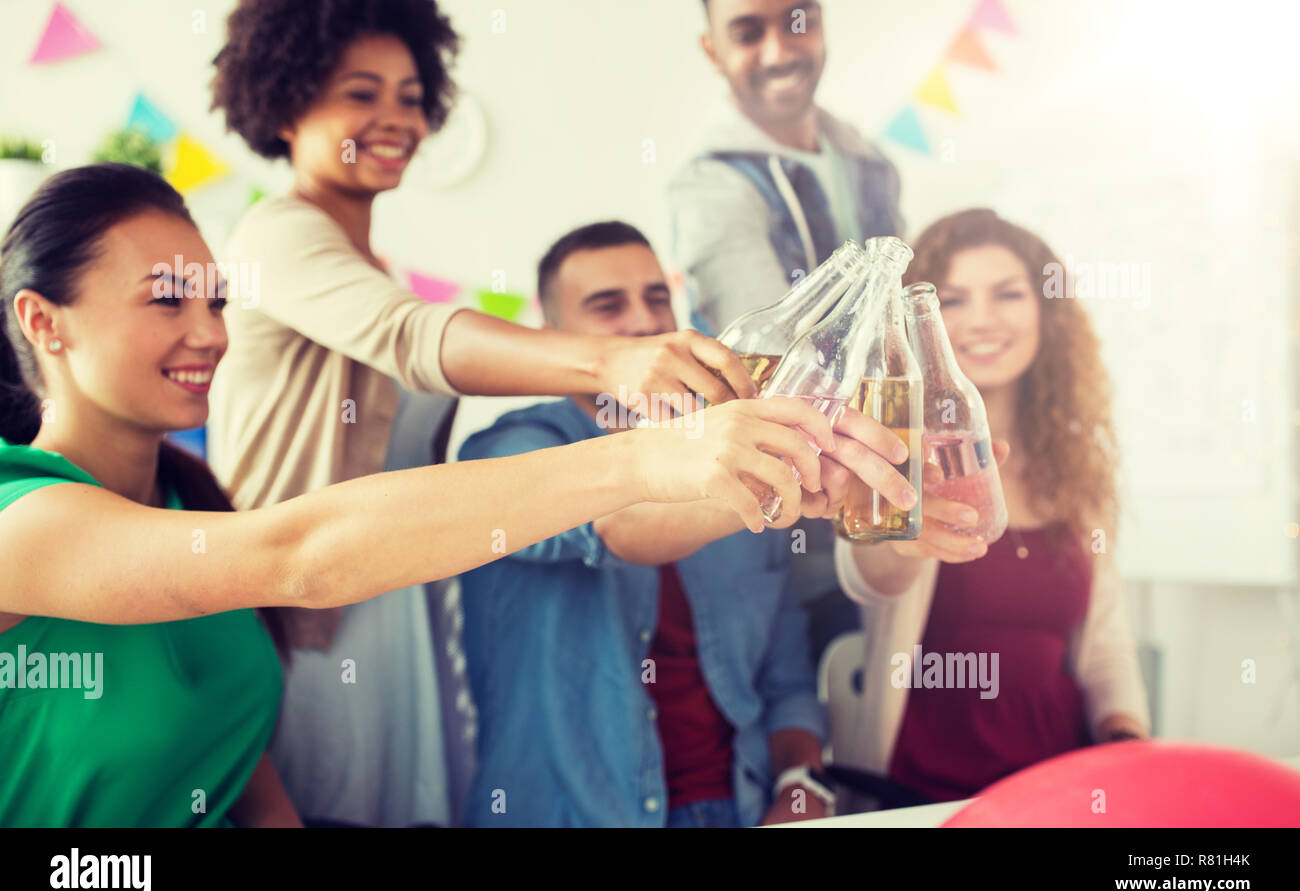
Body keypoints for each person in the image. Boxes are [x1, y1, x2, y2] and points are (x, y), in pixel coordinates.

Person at [0, 163, 840, 827]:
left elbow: (236, 774)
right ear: (44, 322)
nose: (211, 332)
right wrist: (654, 458)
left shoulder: (191, 509)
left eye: (218, 301)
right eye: (167, 301)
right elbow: (295, 557)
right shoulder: (19, 521)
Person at [207, 0, 776, 827]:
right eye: (362, 94)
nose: (396, 118)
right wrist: (612, 358)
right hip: (301, 617)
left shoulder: (368, 263)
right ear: (287, 98)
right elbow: (411, 338)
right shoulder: (275, 235)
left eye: (410, 95)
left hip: (394, 605)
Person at [457, 221, 917, 827]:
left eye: (656, 297)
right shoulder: (510, 450)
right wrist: (775, 481)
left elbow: (785, 678)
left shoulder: (740, 443)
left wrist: (802, 788)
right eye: (607, 306)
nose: (646, 323)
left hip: (738, 808)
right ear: (555, 336)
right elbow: (619, 528)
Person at [835, 209, 1150, 806]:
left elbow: (1106, 644)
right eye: (951, 300)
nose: (982, 320)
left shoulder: (1079, 468)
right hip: (922, 797)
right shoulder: (890, 440)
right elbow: (867, 581)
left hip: (1060, 791)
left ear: (1046, 314)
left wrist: (1126, 740)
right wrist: (905, 530)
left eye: (1007, 294)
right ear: (913, 322)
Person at [669, 0, 907, 649]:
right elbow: (780, 370)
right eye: (748, 31)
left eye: (796, 20)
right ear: (712, 50)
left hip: (888, 504)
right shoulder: (712, 186)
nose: (779, 49)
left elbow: (905, 320)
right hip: (784, 533)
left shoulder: (870, 162)